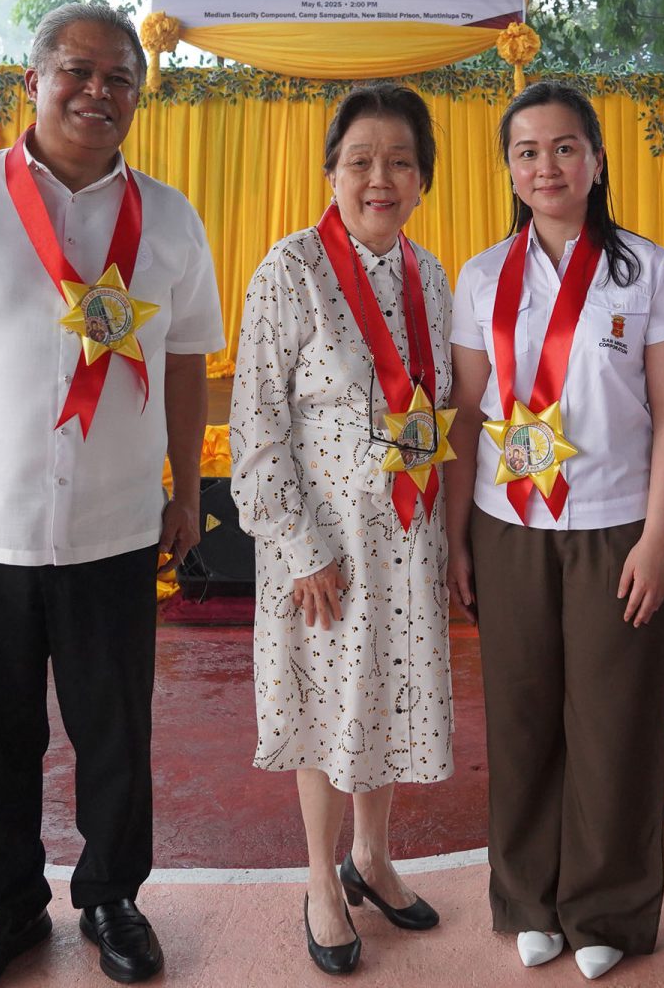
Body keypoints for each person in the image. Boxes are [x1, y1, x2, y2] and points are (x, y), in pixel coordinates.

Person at [0, 2, 225, 988]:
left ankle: (111, 895)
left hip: (114, 528)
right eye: (77, 71)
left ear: (139, 99)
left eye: (120, 79)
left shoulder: (172, 218)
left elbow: (188, 360)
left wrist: (186, 490)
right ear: (34, 80)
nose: (97, 91)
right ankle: (11, 905)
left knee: (116, 729)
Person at [446, 80, 664, 981]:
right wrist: (457, 537)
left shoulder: (648, 270)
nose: (544, 165)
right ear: (509, 169)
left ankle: (608, 906)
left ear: (595, 161)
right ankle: (527, 898)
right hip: (507, 525)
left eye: (562, 148)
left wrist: (658, 534)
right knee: (519, 716)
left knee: (615, 719)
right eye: (526, 151)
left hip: (614, 525)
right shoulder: (481, 276)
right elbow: (466, 418)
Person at [230, 85, 453, 977]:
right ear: (332, 171)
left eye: (400, 160)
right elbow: (257, 425)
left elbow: (441, 410)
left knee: (386, 698)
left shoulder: (432, 276)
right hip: (323, 552)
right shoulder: (289, 270)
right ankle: (321, 879)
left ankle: (373, 855)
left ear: (423, 177)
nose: (379, 178)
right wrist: (299, 548)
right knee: (324, 710)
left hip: (409, 540)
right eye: (360, 159)